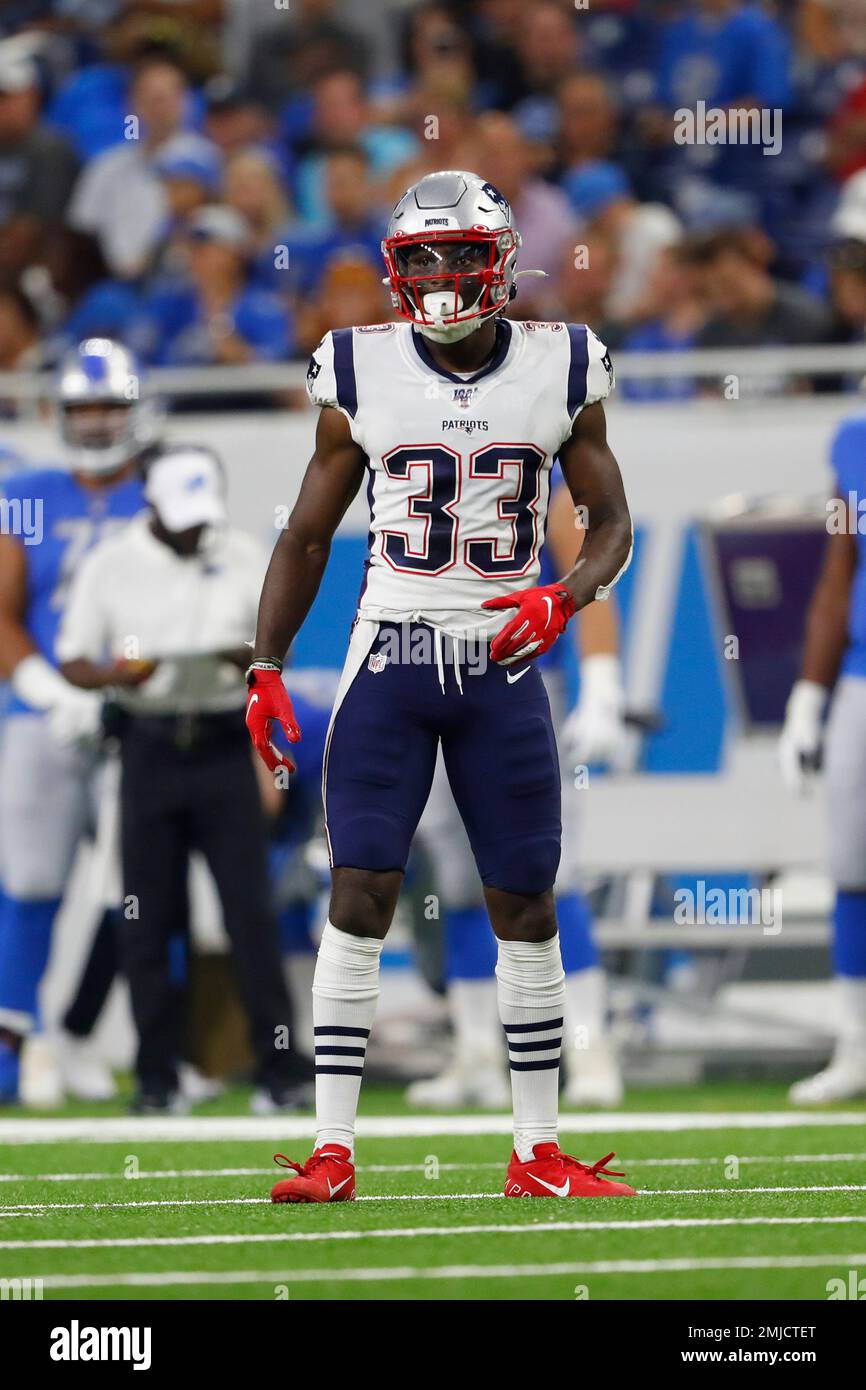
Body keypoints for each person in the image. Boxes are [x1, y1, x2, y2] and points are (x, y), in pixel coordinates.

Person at [246, 168, 636, 1203]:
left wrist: (564, 598)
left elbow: (611, 523)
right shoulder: (356, 367)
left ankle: (537, 1149)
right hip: (393, 659)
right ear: (392, 267)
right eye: (419, 256)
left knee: (525, 903)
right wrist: (265, 664)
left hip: (503, 665)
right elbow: (303, 532)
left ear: (499, 257)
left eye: (458, 252)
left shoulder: (563, 362)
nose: (439, 274)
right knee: (359, 890)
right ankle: (332, 1149)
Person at [57, 445, 311, 1114]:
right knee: (147, 917)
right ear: (151, 507)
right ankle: (156, 1076)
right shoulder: (111, 563)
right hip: (149, 745)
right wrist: (120, 674)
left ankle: (281, 1070)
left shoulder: (242, 551)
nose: (197, 530)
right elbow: (73, 658)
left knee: (249, 913)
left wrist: (250, 655)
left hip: (227, 743)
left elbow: (277, 641)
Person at [409, 468, 628, 1111]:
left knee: (551, 873)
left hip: (521, 685)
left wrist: (602, 680)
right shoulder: (412, 448)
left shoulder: (538, 464)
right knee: (456, 877)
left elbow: (591, 574)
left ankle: (589, 1046)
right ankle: (477, 1051)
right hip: (433, 679)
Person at [0, 338, 150, 1105]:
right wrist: (49, 690)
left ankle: (97, 1038)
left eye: (107, 408)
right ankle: (20, 1044)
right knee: (29, 882)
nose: (94, 424)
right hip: (41, 713)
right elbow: (3, 613)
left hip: (141, 713)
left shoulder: (162, 490)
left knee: (140, 889)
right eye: (82, 409)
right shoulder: (25, 491)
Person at [779, 413, 866, 1102]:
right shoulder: (853, 441)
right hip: (862, 677)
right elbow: (839, 575)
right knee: (850, 862)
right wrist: (810, 694)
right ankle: (857, 1043)